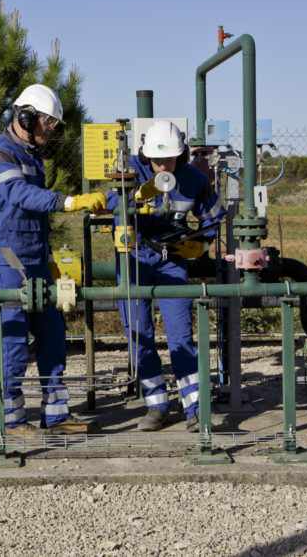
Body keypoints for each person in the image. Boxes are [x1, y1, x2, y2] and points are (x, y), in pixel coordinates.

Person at [0, 84, 107, 437]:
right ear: (26, 116)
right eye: (48, 121)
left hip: (34, 258)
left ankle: (56, 414)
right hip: (7, 259)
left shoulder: (30, 156)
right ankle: (13, 420)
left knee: (52, 333)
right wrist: (70, 201)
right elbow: (19, 195)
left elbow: (35, 218)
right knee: (14, 341)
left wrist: (50, 260)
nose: (52, 129)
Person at [105, 120, 225, 432]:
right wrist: (134, 195)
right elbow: (110, 205)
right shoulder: (129, 171)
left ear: (181, 155)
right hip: (133, 258)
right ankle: (156, 404)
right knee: (139, 334)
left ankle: (195, 408)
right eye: (157, 160)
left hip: (172, 259)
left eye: (169, 159)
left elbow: (214, 217)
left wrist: (200, 245)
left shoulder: (193, 179)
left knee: (181, 335)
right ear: (145, 156)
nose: (163, 165)